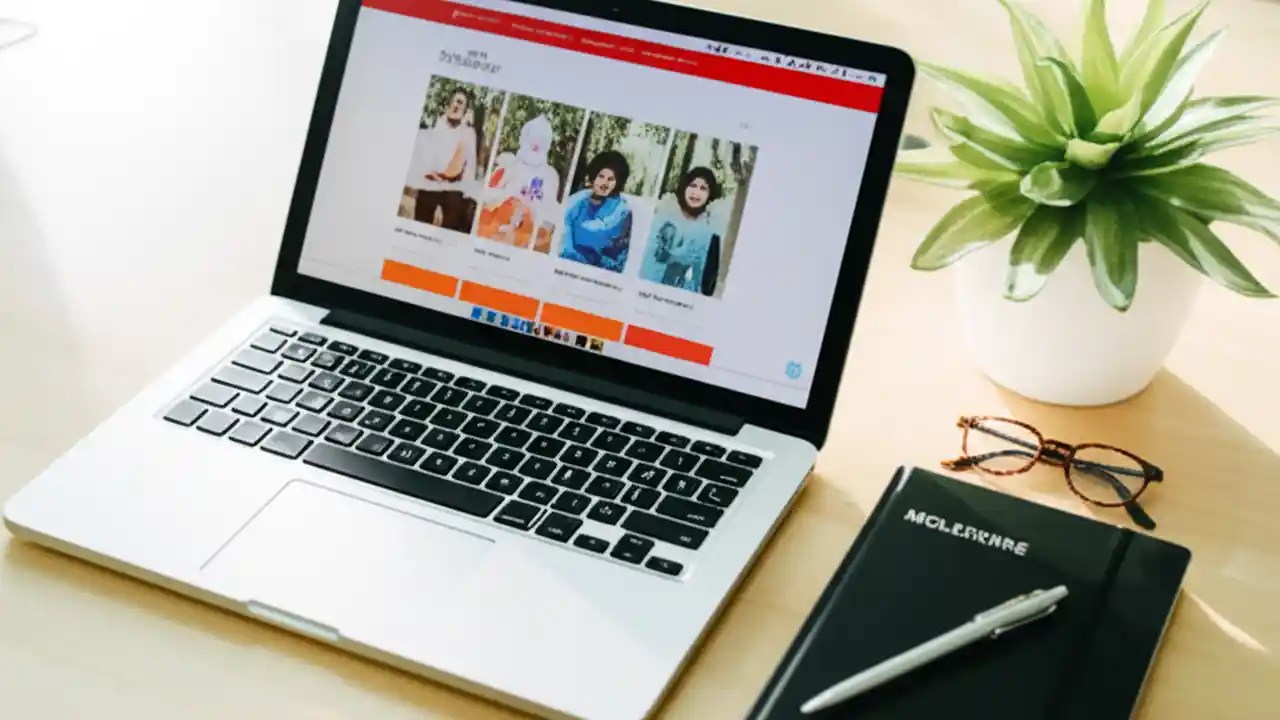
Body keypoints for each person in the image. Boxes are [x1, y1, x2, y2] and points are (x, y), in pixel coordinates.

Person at [477, 114, 562, 252]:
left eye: (542, 138)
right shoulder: (510, 165)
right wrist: (508, 200)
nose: (536, 142)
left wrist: (529, 211)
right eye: (532, 135)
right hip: (500, 223)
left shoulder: (550, 174)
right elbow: (489, 198)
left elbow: (549, 217)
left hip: (529, 233)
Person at [639, 166, 725, 296]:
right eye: (693, 185)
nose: (696, 192)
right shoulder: (665, 211)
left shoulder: (708, 229)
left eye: (703, 188)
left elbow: (704, 277)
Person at [405, 85, 481, 231]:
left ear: (465, 110)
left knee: (451, 223)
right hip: (430, 182)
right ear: (449, 103)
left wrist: (465, 191)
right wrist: (426, 173)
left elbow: (470, 166)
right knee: (420, 222)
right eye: (455, 101)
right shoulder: (436, 124)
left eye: (461, 103)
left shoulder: (468, 133)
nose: (456, 106)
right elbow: (423, 155)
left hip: (452, 187)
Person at [559, 150, 633, 272]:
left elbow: (620, 256)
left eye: (611, 179)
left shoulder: (622, 212)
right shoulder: (578, 203)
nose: (605, 183)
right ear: (593, 177)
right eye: (601, 176)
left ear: (617, 182)